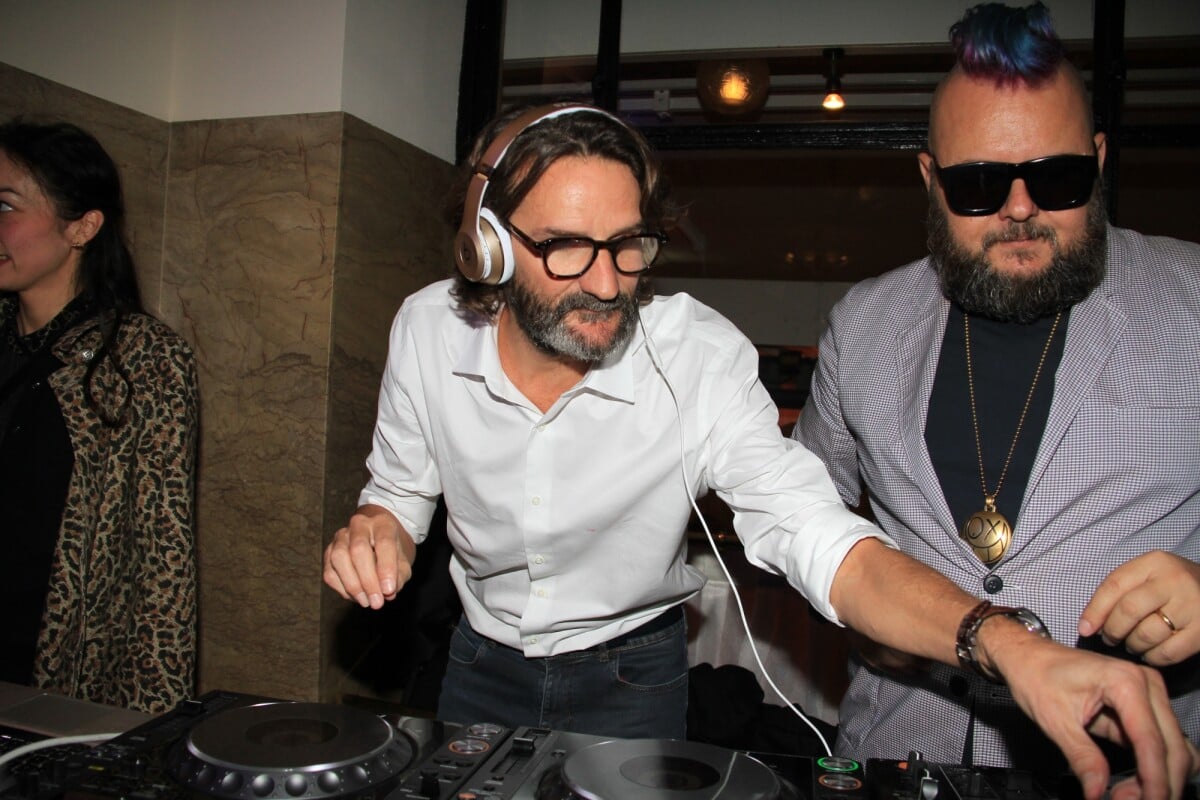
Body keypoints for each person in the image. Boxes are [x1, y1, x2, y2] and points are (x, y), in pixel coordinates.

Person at [325, 101, 1196, 799]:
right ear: (486, 245)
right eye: (564, 248)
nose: (607, 282)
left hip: (634, 675)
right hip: (477, 663)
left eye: (628, 245)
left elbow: (816, 531)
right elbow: (398, 489)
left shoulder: (698, 358)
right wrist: (381, 525)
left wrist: (1010, 645)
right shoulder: (425, 330)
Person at [792, 0, 1199, 787]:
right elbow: (802, 516)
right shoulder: (864, 324)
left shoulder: (1193, 302)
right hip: (898, 759)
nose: (1019, 208)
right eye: (978, 184)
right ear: (929, 179)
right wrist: (855, 610)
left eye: (1057, 177)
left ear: (1099, 161)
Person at [0, 119, 199, 714]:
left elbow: (163, 569)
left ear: (82, 227)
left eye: (5, 206)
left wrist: (150, 730)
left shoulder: (143, 359)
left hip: (55, 683)